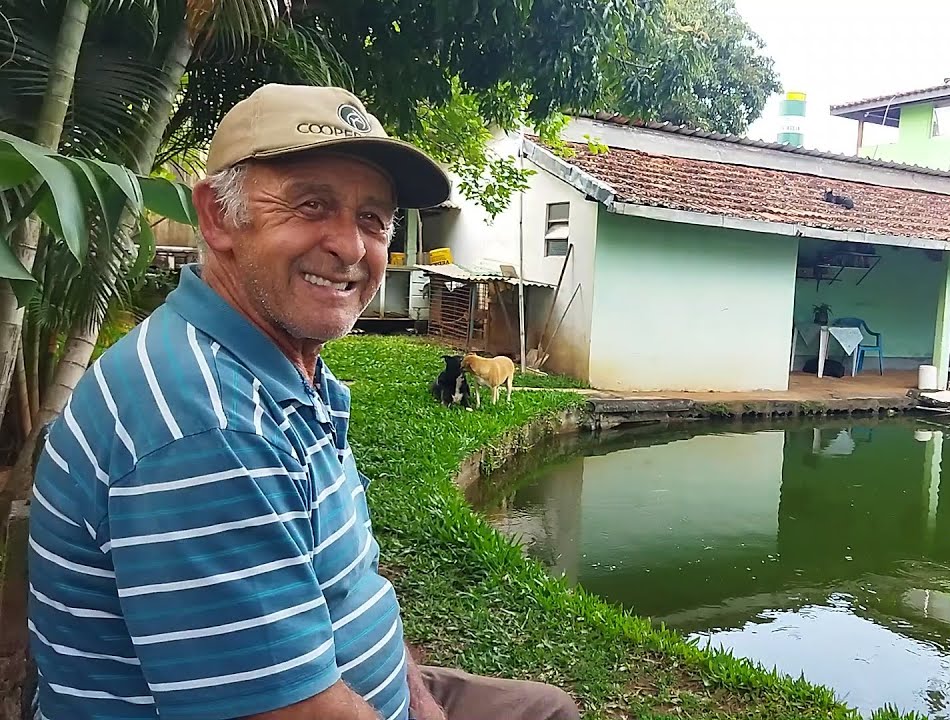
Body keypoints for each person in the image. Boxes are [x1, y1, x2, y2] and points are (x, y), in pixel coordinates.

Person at [27, 83, 580, 720]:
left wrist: (416, 693)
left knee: (545, 709)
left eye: (373, 218)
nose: (350, 246)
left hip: (357, 686)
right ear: (217, 218)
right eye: (312, 204)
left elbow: (354, 586)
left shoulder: (286, 374)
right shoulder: (205, 427)